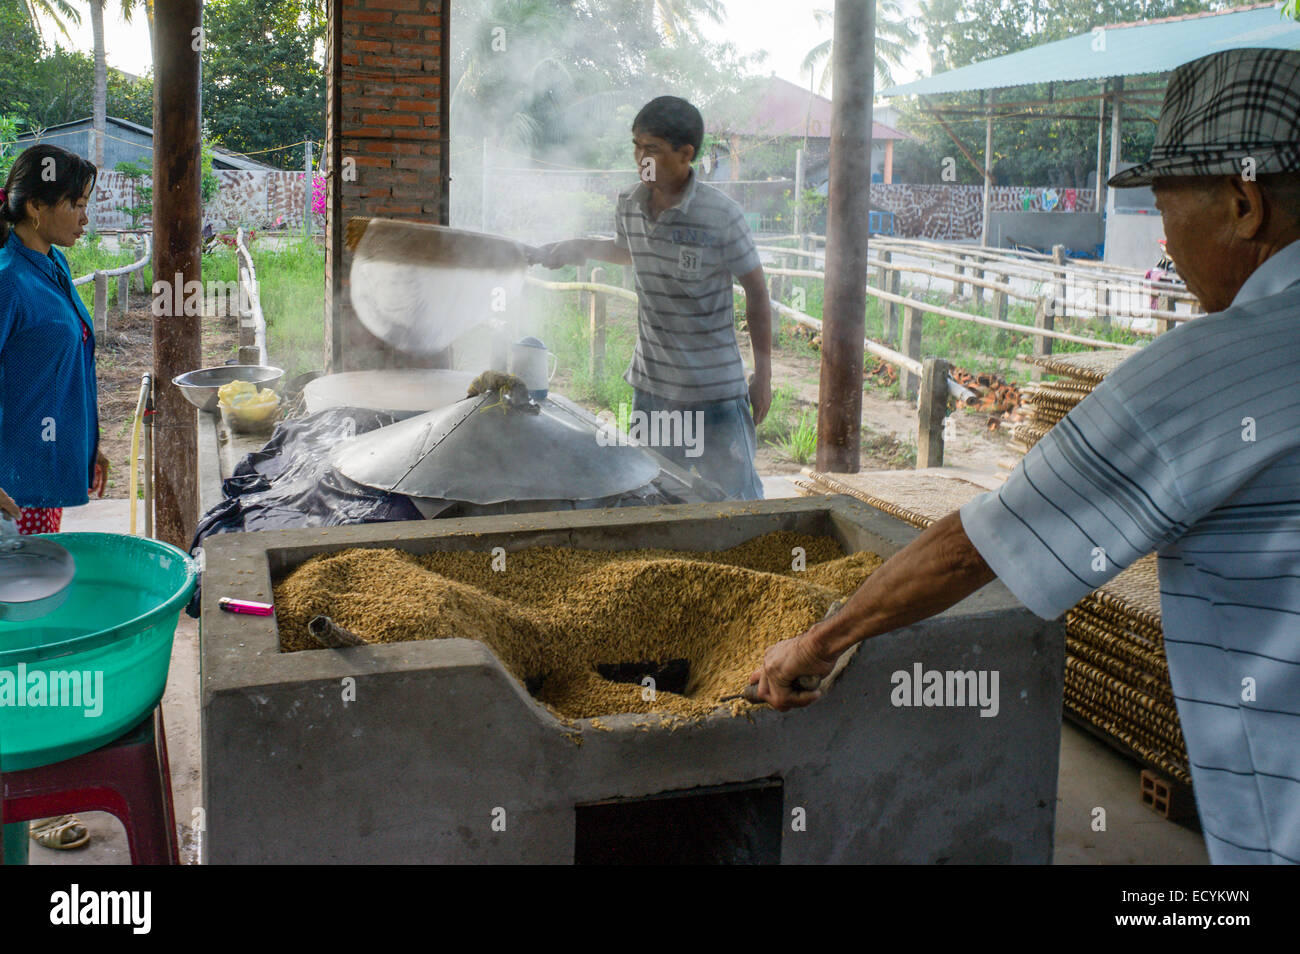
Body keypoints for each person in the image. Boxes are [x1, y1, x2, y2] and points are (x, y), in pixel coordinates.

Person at [749, 47, 1300, 865]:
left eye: (1163, 202)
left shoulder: (1217, 369)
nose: (1167, 240)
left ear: (1245, 203)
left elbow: (983, 542)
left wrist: (820, 642)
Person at [537, 96, 772, 500]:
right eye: (636, 146)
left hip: (717, 394)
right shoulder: (629, 205)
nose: (640, 158)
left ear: (686, 154)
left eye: (652, 149)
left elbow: (756, 289)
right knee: (651, 498)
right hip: (653, 391)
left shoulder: (722, 215)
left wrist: (763, 375)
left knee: (736, 506)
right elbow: (627, 250)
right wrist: (576, 246)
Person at [1, 143, 109, 855]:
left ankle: (30, 790)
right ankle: (29, 805)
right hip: (14, 493)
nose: (83, 214)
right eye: (73, 202)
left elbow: (73, 357)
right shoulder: (8, 279)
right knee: (23, 643)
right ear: (35, 207)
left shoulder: (54, 266)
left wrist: (89, 440)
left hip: (45, 477)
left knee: (34, 631)